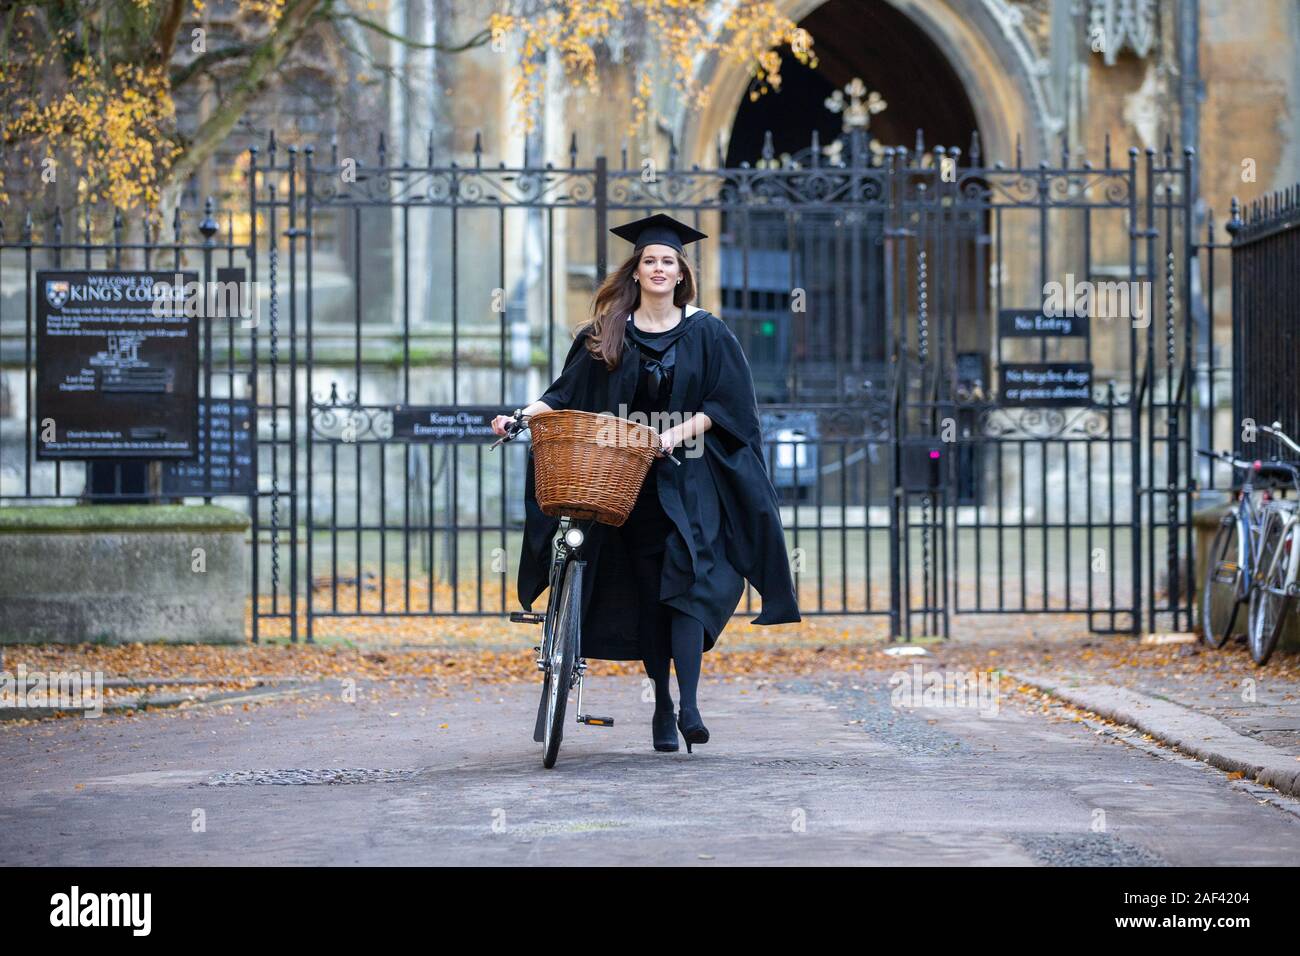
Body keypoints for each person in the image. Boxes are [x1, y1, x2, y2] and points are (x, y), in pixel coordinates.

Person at [492, 212, 801, 754]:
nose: (659, 269)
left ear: (681, 273)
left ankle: (690, 707)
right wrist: (518, 416)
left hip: (691, 477)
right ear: (635, 271)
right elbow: (563, 395)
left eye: (668, 262)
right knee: (650, 595)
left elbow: (727, 408)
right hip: (624, 483)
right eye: (650, 261)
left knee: (688, 585)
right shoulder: (607, 333)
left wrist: (670, 436)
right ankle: (661, 703)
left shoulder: (709, 333)